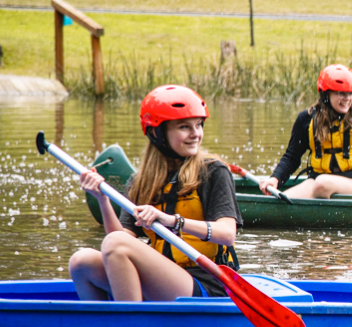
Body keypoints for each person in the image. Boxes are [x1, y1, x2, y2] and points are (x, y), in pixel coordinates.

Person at [69, 85, 243, 301]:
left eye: (198, 125)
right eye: (184, 127)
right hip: (164, 278)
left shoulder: (213, 171)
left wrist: (172, 221)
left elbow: (227, 234)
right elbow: (118, 240)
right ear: (157, 133)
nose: (195, 134)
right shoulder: (140, 182)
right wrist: (102, 200)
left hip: (210, 282)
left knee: (114, 245)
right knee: (81, 261)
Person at [258, 64, 352, 199]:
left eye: (351, 93)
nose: (347, 99)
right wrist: (275, 179)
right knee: (282, 200)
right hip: (317, 181)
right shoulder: (306, 119)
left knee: (322, 184)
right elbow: (291, 157)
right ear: (326, 94)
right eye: (341, 93)